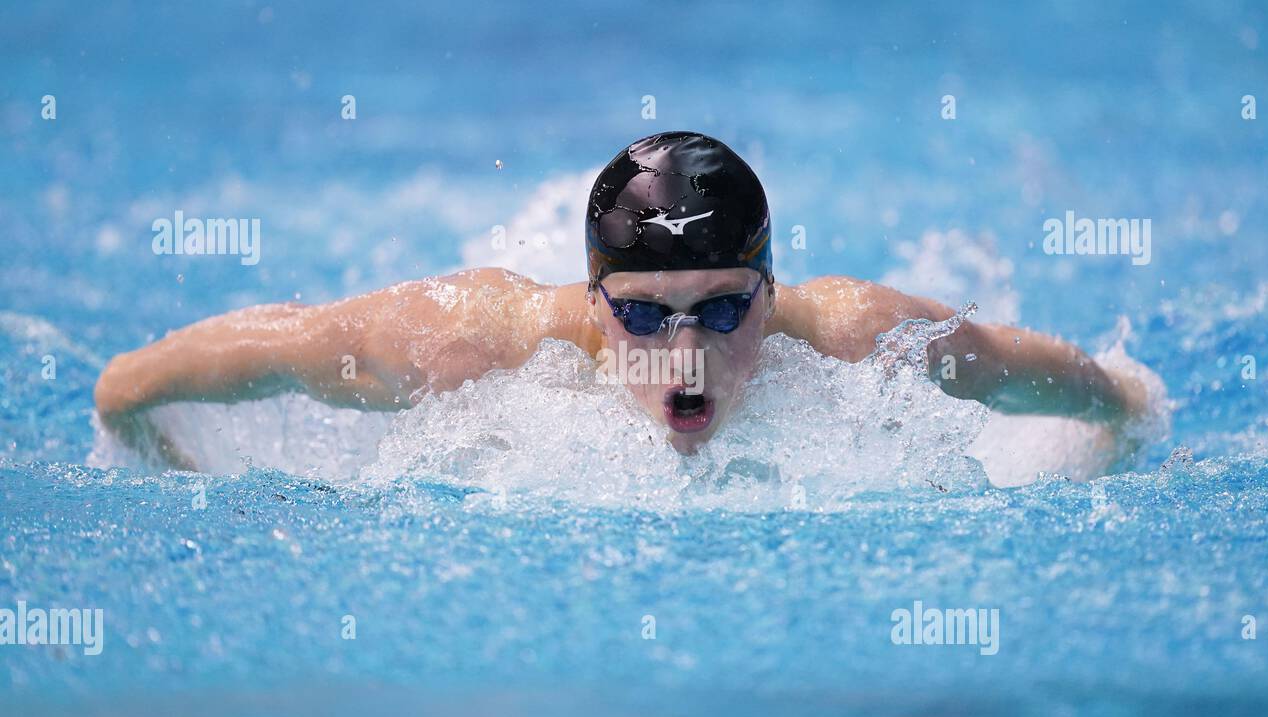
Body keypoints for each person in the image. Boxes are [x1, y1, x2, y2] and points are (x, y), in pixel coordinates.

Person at [94, 131, 1150, 469]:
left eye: (723, 309)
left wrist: (1131, 417)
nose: (683, 353)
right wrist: (140, 432)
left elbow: (1076, 388)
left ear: (772, 294)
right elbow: (159, 378)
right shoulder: (470, 346)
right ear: (596, 305)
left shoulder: (864, 339)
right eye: (644, 314)